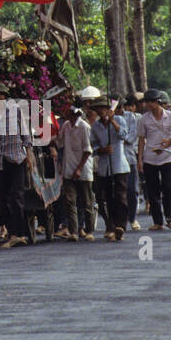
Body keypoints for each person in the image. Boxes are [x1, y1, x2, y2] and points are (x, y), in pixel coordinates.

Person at [0, 81, 33, 249]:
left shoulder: (16, 111)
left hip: (17, 158)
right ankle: (12, 233)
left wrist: (29, 157)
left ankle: (19, 233)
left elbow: (26, 135)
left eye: (0, 95)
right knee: (4, 199)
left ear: (5, 97)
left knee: (16, 196)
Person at [137, 88, 171, 230]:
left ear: (158, 102)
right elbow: (141, 140)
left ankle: (170, 217)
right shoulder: (144, 119)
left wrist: (168, 143)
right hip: (150, 158)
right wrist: (140, 160)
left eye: (150, 101)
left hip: (167, 156)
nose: (148, 104)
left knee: (167, 188)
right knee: (152, 190)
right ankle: (157, 221)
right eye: (146, 102)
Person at [89, 98, 129, 241]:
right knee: (105, 197)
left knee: (120, 196)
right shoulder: (95, 126)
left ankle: (121, 226)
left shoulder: (119, 119)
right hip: (104, 167)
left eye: (104, 108)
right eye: (98, 109)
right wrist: (101, 150)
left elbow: (124, 135)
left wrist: (113, 121)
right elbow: (92, 146)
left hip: (119, 165)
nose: (101, 111)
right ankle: (110, 224)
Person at [58, 103, 95, 241]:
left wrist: (79, 168)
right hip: (68, 168)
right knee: (70, 201)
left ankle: (89, 230)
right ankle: (74, 231)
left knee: (86, 201)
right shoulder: (66, 126)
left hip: (83, 168)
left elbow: (87, 151)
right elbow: (59, 141)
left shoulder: (84, 127)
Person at [119, 92, 143, 230]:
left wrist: (119, 135)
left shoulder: (131, 117)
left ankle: (132, 218)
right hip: (114, 159)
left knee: (132, 190)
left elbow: (131, 137)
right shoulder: (107, 119)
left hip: (129, 157)